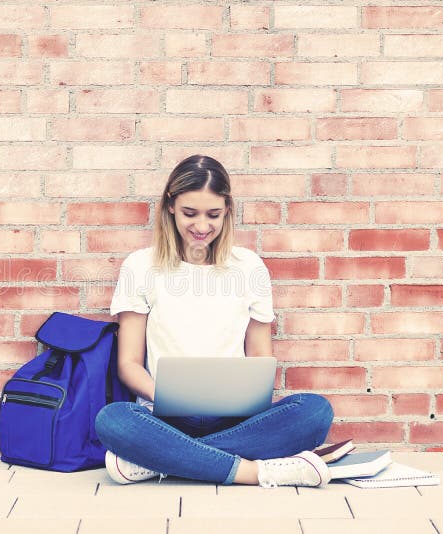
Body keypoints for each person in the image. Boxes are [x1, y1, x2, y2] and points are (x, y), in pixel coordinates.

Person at [94, 155, 334, 488]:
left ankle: (160, 461)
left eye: (214, 215)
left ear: (228, 211)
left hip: (236, 419)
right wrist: (166, 397)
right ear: (171, 207)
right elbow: (129, 364)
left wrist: (249, 396)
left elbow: (261, 359)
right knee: (113, 421)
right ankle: (256, 471)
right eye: (190, 214)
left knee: (316, 411)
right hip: (164, 417)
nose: (202, 226)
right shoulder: (141, 266)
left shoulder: (248, 267)